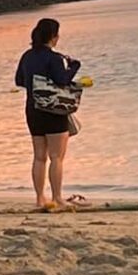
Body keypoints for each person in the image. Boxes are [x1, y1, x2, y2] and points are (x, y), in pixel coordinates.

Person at [16, 16, 81, 211]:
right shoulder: (54, 58)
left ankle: (39, 198)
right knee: (56, 157)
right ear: (53, 36)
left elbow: (19, 80)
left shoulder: (27, 56)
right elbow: (62, 81)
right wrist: (74, 67)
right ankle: (57, 197)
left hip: (33, 110)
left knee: (39, 157)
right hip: (53, 111)